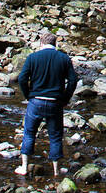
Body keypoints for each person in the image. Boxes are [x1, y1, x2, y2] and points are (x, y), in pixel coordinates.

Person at [16, 32, 78, 177]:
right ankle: (56, 171)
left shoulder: (32, 57)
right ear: (55, 44)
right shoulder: (64, 58)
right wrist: (65, 99)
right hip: (55, 103)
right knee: (55, 136)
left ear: (41, 43)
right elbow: (73, 81)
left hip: (35, 101)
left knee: (29, 133)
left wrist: (28, 95)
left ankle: (24, 167)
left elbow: (22, 79)